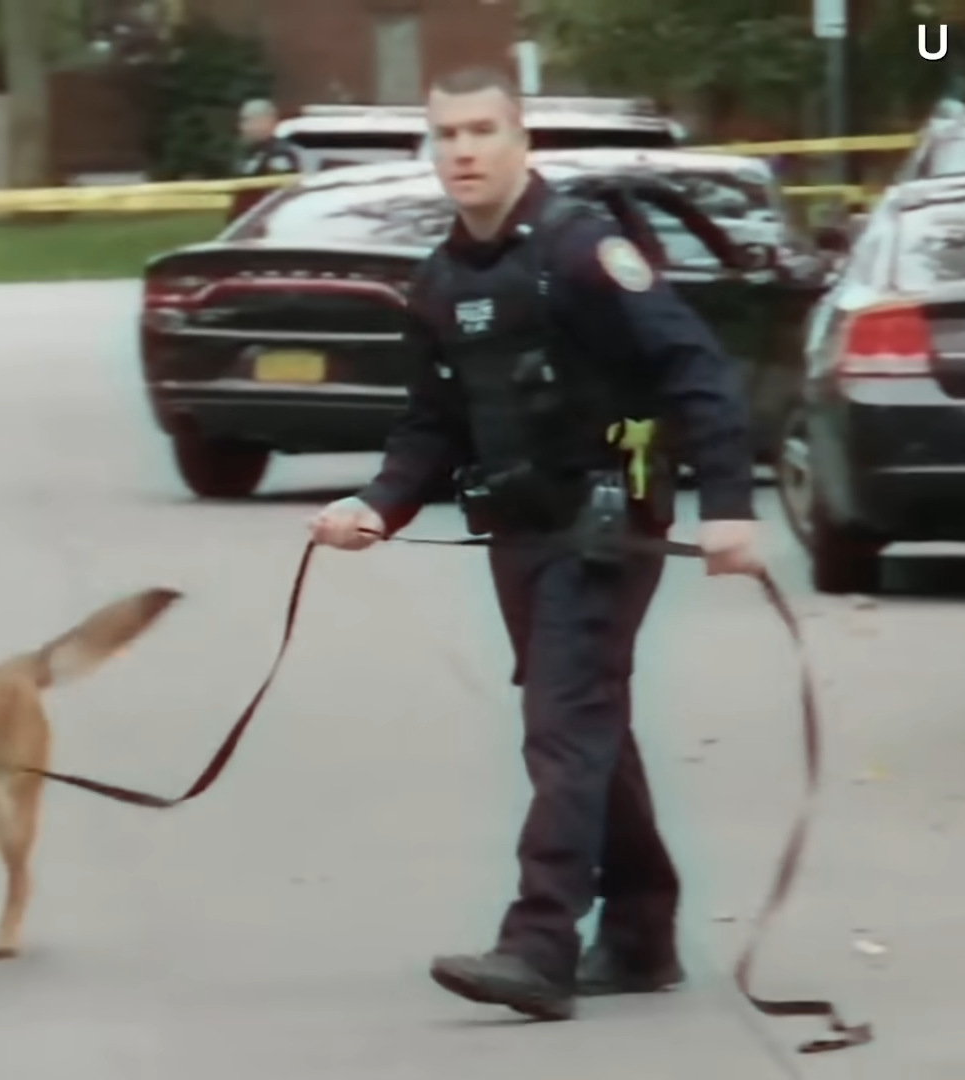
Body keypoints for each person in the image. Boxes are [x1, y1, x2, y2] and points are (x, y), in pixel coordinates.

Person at [306, 66, 763, 1022]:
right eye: (445, 135)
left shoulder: (586, 253)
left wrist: (730, 503)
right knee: (586, 722)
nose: (462, 151)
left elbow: (699, 369)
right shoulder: (438, 281)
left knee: (563, 722)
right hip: (520, 532)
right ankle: (640, 934)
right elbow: (431, 424)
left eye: (481, 130)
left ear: (523, 143)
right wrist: (376, 509)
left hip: (609, 526)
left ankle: (539, 942)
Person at [227, 98, 301, 221]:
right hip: (245, 221)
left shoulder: (279, 153)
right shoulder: (249, 151)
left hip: (263, 222)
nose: (242, 127)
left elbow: (280, 191)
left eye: (247, 120)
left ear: (266, 121)